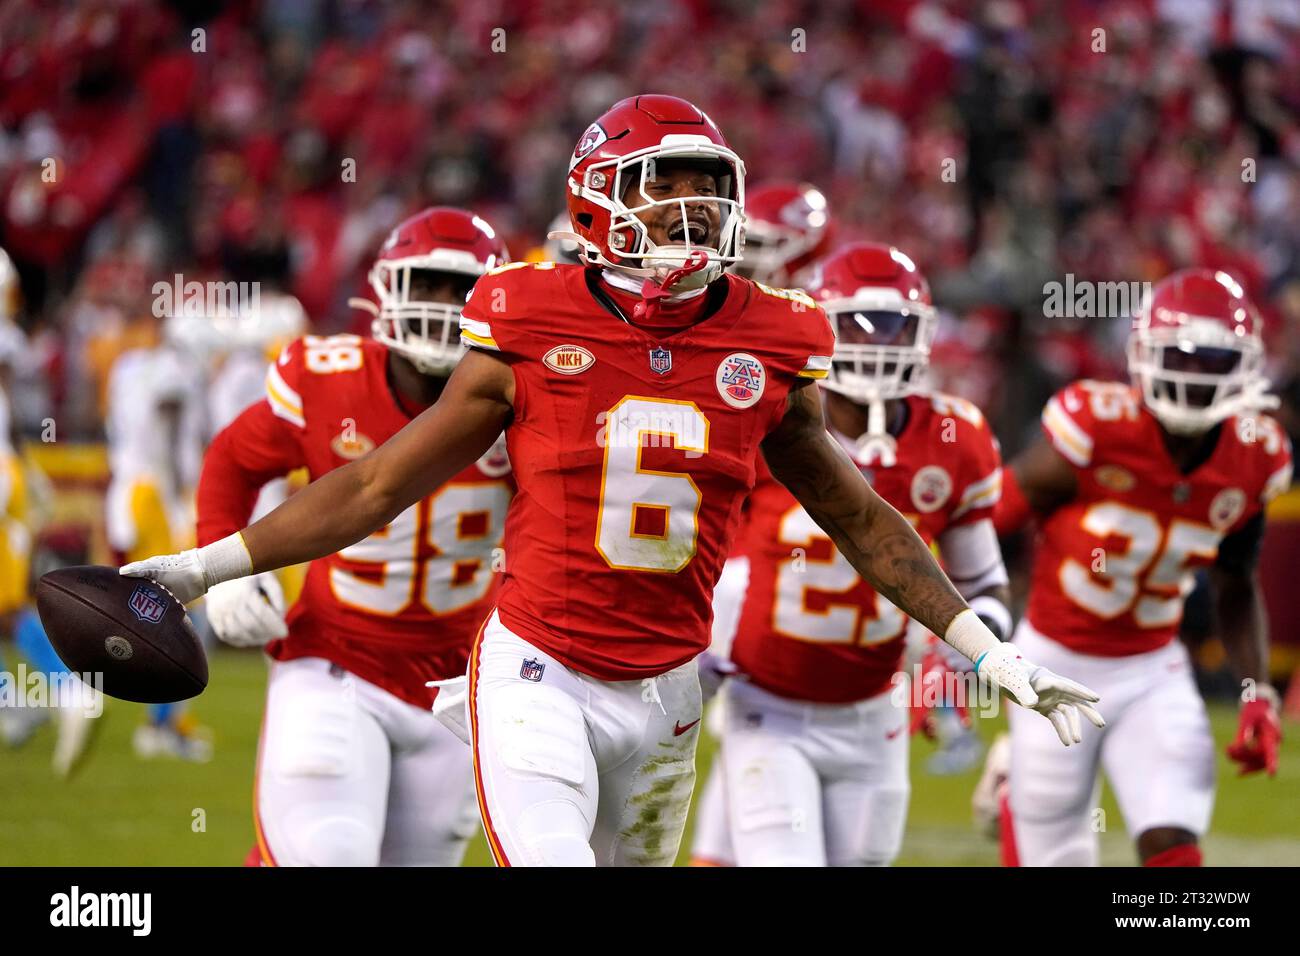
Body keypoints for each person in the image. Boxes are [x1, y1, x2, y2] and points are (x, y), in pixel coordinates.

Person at [124, 94, 1102, 867]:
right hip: (535, 668)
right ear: (599, 199)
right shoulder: (525, 313)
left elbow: (859, 515)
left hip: (670, 690)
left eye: (706, 187)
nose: (692, 208)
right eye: (661, 184)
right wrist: (210, 564)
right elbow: (378, 483)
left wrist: (986, 652)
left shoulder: (773, 332)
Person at [199, 207, 513, 866]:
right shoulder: (327, 375)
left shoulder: (525, 394)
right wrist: (224, 566)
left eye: (459, 290)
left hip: (458, 688)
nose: (440, 305)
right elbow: (233, 459)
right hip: (335, 661)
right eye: (425, 284)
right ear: (386, 289)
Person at [688, 242, 1011, 866]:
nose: (877, 345)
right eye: (859, 326)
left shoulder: (956, 437)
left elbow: (986, 584)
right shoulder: (770, 414)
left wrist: (962, 660)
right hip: (768, 706)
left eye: (895, 328)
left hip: (874, 715)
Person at [993, 268, 1292, 866]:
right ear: (1144, 353)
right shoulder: (1096, 427)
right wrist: (973, 629)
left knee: (1172, 840)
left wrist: (1258, 692)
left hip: (1154, 667)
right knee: (1054, 854)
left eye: (1214, 360)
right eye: (1184, 356)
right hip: (1052, 664)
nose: (1196, 374)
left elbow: (1236, 585)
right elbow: (988, 521)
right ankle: (1012, 786)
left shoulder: (1254, 455)